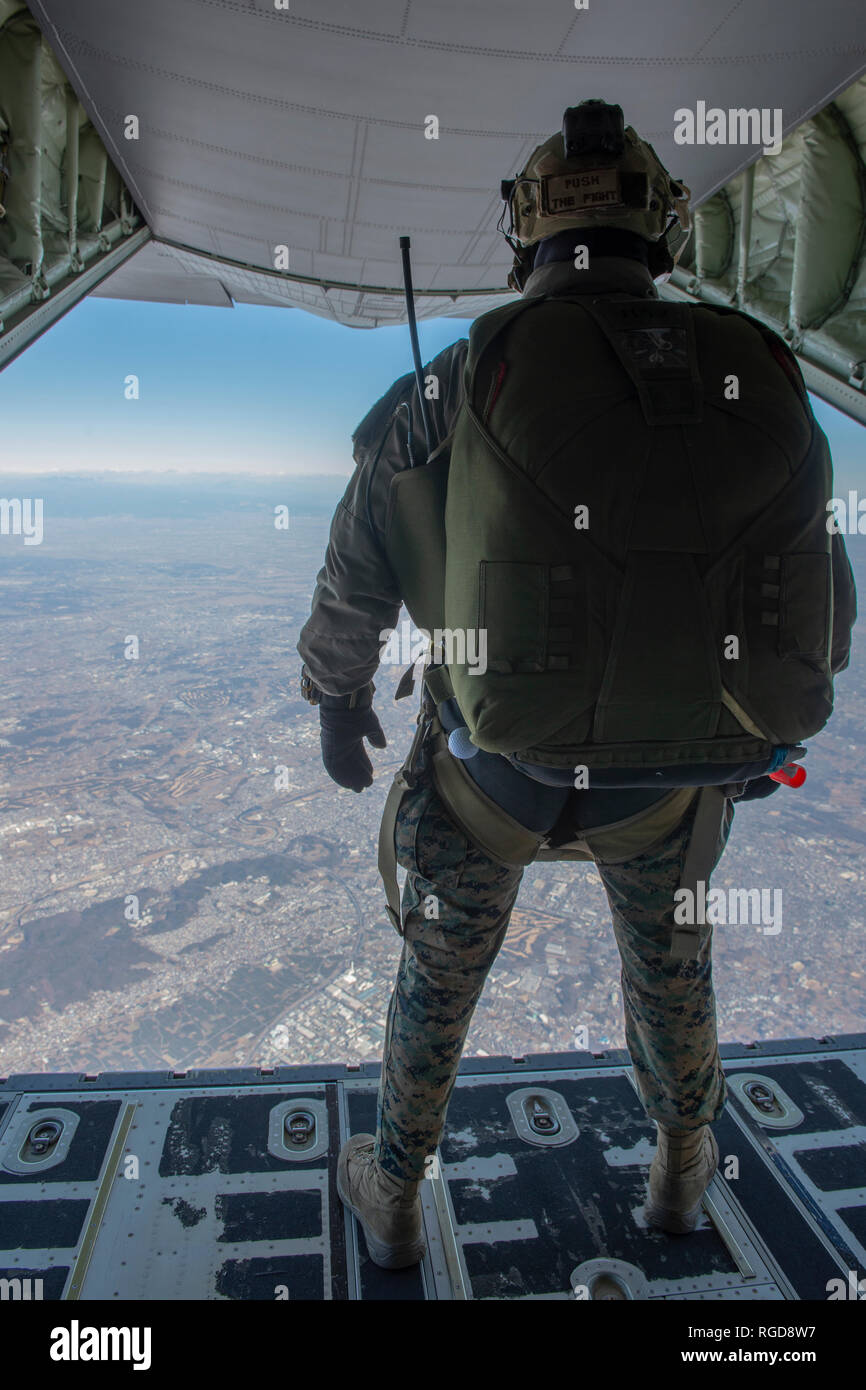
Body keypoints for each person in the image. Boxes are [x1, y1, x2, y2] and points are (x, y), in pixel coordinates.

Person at [297, 101, 857, 1271]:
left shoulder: (458, 381)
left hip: (490, 776)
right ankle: (675, 1169)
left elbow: (355, 578)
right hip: (669, 785)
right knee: (670, 963)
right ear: (663, 228)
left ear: (525, 233)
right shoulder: (747, 370)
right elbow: (823, 612)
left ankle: (395, 1190)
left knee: (442, 964)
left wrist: (337, 703)